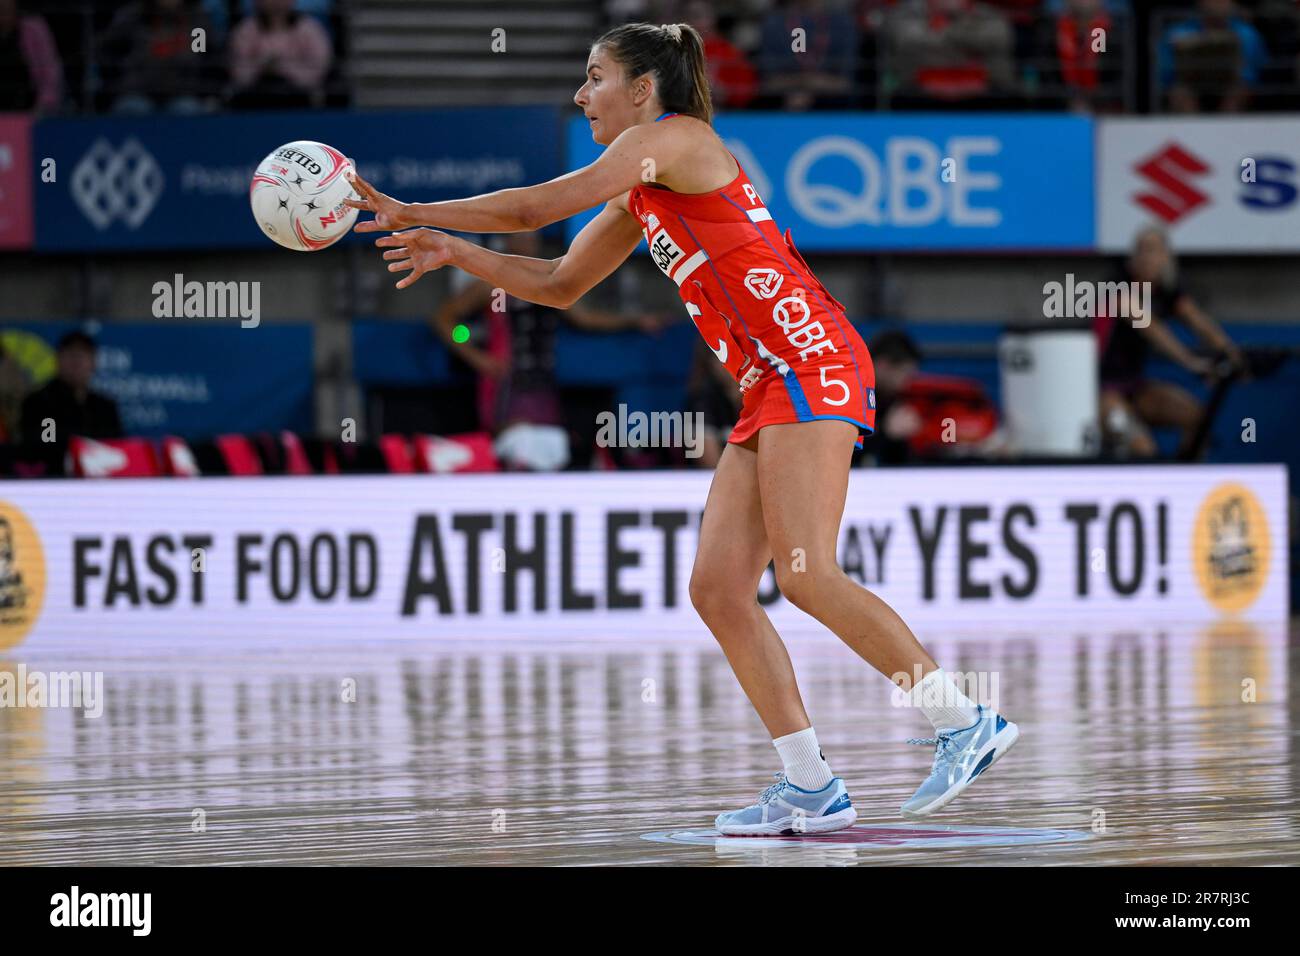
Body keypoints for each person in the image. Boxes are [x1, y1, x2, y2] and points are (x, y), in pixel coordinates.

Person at [344, 21, 1019, 832]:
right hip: (769, 382)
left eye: (594, 77)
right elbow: (559, 281)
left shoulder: (677, 138)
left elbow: (532, 207)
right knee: (718, 588)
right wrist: (455, 253)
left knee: (806, 574)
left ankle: (962, 719)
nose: (580, 94)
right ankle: (810, 784)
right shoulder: (641, 185)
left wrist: (408, 207)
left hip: (812, 359)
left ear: (641, 90)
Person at [1097, 226, 1244, 460]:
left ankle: (1186, 484)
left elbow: (1200, 323)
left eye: (1154, 251)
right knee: (1143, 449)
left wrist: (1233, 355)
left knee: (1198, 419)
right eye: (1142, 251)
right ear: (1132, 258)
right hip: (1100, 393)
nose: (1147, 258)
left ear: (1166, 258)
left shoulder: (1167, 291)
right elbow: (1152, 329)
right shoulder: (1118, 288)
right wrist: (1191, 362)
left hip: (1135, 388)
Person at [20, 331, 123, 464]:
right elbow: (43, 441)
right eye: (70, 355)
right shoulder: (40, 402)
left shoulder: (105, 406)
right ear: (58, 360)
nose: (76, 362)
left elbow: (117, 446)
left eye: (82, 356)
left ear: (93, 363)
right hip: (53, 478)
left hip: (100, 478)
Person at [227, 0, 332, 110]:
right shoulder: (245, 29)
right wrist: (263, 67)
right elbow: (238, 71)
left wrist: (283, 68)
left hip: (299, 97)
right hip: (254, 96)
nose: (276, 2)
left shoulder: (310, 29)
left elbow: (319, 67)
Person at [0, 0, 63, 113]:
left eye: (7, 9)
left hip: (29, 106)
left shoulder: (34, 30)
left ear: (16, 9)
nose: (3, 14)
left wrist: (45, 104)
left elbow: (50, 69)